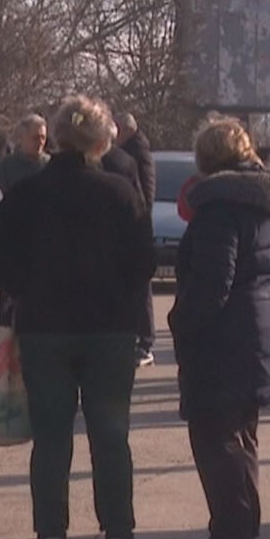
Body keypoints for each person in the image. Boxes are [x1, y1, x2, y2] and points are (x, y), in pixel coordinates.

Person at [0, 95, 155, 539]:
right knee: (111, 436)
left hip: (44, 328)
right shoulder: (120, 193)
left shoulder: (26, 194)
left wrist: (29, 291)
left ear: (57, 138)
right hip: (110, 329)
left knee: (51, 438)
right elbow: (144, 263)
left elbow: (0, 262)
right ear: (102, 141)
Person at [168, 118, 270, 539]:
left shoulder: (218, 208)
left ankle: (231, 533)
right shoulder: (265, 204)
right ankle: (241, 527)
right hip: (262, 324)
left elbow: (212, 282)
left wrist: (181, 323)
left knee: (215, 435)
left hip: (228, 334)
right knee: (242, 433)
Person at [116, 112, 159, 367]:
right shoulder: (133, 152)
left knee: (141, 288)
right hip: (135, 226)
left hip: (136, 227)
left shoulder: (137, 155)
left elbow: (145, 194)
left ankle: (145, 342)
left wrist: (138, 221)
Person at [0, 114, 49, 193]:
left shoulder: (50, 165)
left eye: (43, 138)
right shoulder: (5, 167)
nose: (40, 142)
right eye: (36, 138)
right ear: (22, 138)